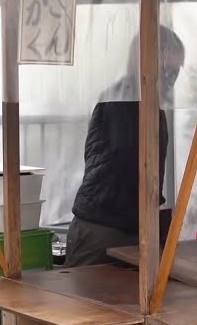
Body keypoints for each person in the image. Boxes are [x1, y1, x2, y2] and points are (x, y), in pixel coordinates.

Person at [65, 26, 185, 267]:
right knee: (87, 302)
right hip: (104, 227)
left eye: (177, 70)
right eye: (171, 69)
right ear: (154, 59)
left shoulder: (149, 100)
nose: (174, 76)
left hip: (125, 224)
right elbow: (130, 160)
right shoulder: (125, 98)